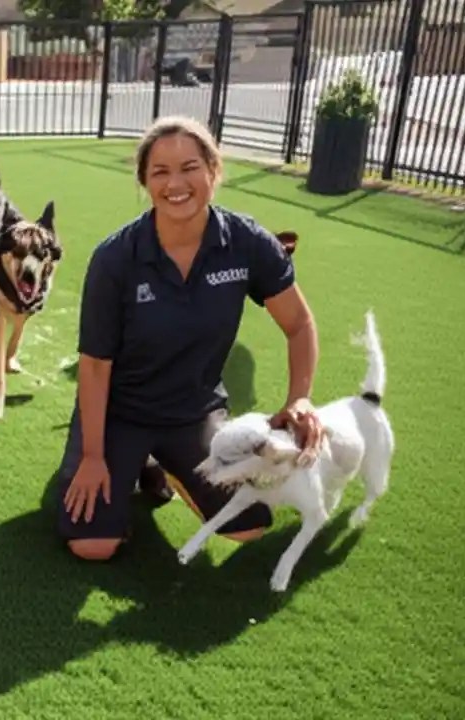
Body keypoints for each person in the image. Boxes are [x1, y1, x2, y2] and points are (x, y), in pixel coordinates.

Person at [55, 116, 323, 561]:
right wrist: (92, 456)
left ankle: (166, 464)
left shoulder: (247, 243)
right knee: (92, 545)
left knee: (248, 529)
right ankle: (131, 460)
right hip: (120, 412)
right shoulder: (116, 258)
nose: (175, 183)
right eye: (160, 171)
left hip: (193, 412)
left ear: (213, 172)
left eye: (189, 167)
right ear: (144, 182)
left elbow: (299, 324)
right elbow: (96, 365)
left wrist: (300, 399)